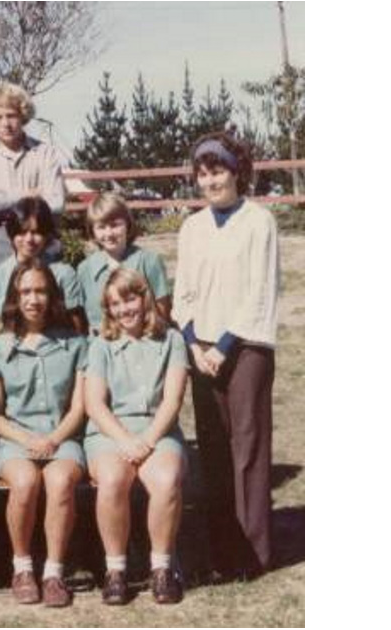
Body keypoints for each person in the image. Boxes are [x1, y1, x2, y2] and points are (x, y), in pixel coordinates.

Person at [172, 132, 279, 581]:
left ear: (238, 172)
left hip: (245, 347)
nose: (211, 180)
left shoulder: (259, 221)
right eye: (203, 173)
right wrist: (196, 344)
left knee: (247, 447)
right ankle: (219, 550)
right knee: (213, 448)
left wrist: (224, 346)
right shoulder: (192, 227)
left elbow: (258, 291)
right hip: (203, 349)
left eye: (218, 170)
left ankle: (252, 553)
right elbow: (184, 295)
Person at [85, 268, 189, 605]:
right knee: (114, 478)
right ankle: (115, 569)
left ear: (144, 298)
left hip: (157, 428)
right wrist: (125, 440)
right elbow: (96, 404)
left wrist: (148, 439)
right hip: (111, 431)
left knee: (166, 478)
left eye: (129, 298)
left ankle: (161, 567)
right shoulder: (101, 344)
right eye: (115, 303)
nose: (124, 309)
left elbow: (172, 400)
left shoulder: (171, 340)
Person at [0, 260, 88, 608]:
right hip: (16, 440)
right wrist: (27, 440)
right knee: (25, 482)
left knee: (60, 482)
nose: (34, 299)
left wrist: (54, 439)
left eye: (41, 291)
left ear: (53, 296)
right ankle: (23, 567)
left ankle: (54, 572)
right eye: (26, 291)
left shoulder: (74, 344)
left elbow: (78, 408)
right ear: (15, 297)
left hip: (62, 438)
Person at [0, 82, 66, 279]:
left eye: (11, 115)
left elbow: (56, 203)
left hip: (39, 239)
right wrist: (26, 195)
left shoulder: (45, 153)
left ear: (23, 116)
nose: (6, 124)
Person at [0, 197, 86, 338]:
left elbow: (77, 328)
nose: (29, 239)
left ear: (46, 235)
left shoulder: (64, 274)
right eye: (22, 232)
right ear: (12, 234)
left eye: (36, 232)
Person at [77, 193, 171, 333]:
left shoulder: (148, 261)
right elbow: (83, 320)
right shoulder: (85, 269)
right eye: (101, 227)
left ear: (127, 224)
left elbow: (163, 312)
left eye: (115, 225)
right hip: (103, 344)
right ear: (92, 231)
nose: (109, 234)